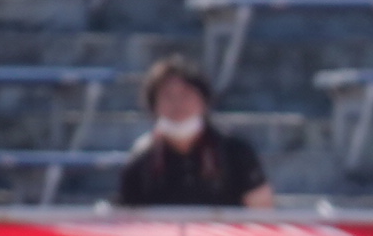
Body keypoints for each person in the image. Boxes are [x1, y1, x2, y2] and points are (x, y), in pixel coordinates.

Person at [115, 55, 275, 210]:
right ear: (153, 105)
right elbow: (128, 218)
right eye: (168, 96)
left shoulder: (235, 153)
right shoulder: (141, 160)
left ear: (204, 100)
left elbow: (261, 211)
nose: (177, 104)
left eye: (185, 94)